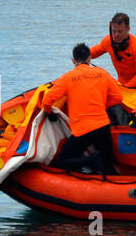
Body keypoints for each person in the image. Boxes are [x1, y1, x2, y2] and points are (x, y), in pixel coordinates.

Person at [43, 43, 124, 174]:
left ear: (73, 60)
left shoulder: (68, 77)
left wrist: (50, 114)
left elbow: (47, 100)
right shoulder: (102, 73)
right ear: (90, 58)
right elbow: (118, 97)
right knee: (109, 167)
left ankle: (90, 161)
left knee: (61, 163)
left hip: (82, 130)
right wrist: (102, 106)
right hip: (103, 127)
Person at [89, 12, 136, 97]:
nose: (116, 35)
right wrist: (79, 55)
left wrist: (125, 88)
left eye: (120, 31)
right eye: (114, 31)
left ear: (128, 29)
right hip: (122, 85)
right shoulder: (108, 41)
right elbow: (92, 53)